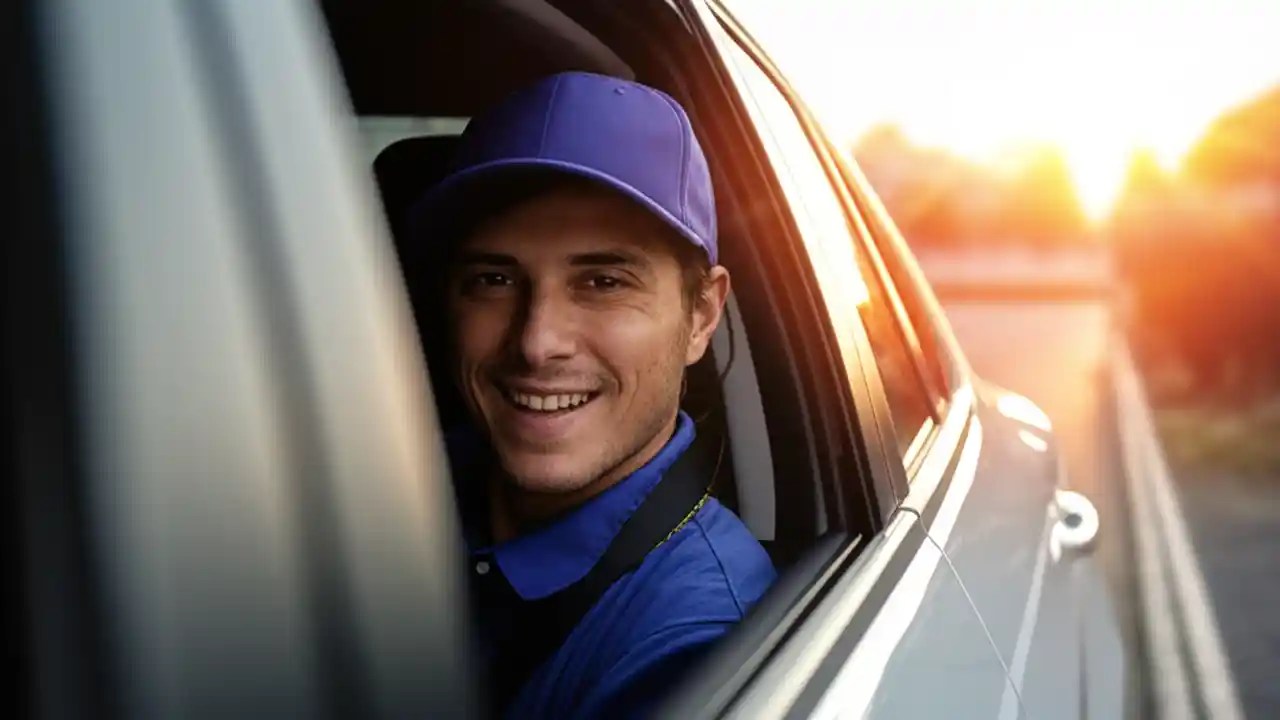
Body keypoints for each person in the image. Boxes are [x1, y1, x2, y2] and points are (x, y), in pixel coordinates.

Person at [411, 71, 776, 719]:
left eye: (604, 282)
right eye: (494, 279)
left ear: (701, 315)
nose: (536, 341)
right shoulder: (385, 483)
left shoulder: (695, 647)